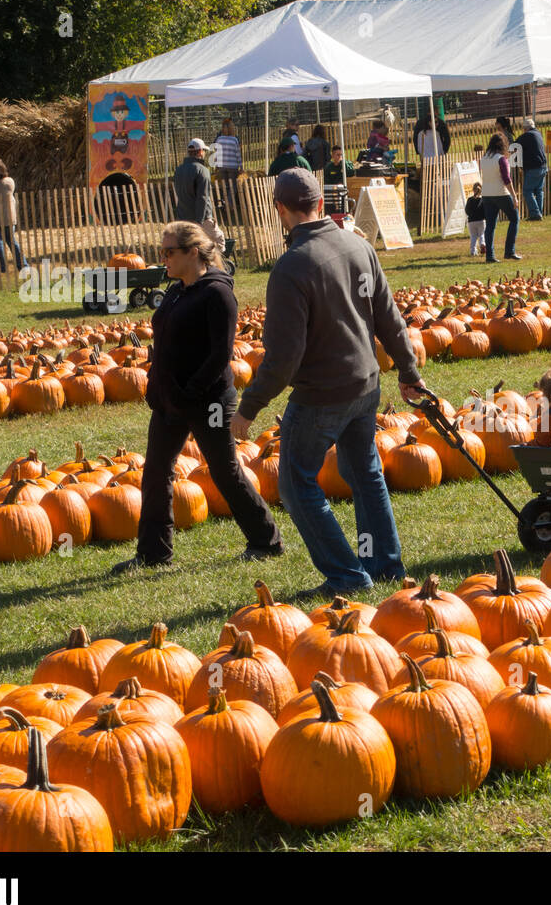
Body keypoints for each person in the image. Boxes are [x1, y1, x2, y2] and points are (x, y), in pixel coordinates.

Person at [229, 168, 427, 599]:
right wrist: (409, 371)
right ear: (321, 202)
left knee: (295, 483)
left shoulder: (292, 267)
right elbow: (389, 318)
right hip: (365, 384)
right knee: (365, 473)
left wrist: (249, 406)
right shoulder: (358, 245)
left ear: (280, 208)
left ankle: (346, 574)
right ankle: (384, 563)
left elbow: (283, 360)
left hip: (321, 395)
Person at [112, 222, 282, 574]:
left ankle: (267, 540)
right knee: (156, 472)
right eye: (162, 252)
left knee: (225, 471)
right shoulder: (176, 291)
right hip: (169, 401)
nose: (163, 259)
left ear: (193, 252)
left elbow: (220, 355)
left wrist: (189, 392)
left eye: (169, 252)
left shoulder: (218, 294)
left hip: (210, 402)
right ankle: (154, 553)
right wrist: (158, 386)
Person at [173, 139, 225, 252]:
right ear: (200, 152)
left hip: (183, 216)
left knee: (189, 246)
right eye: (204, 151)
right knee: (219, 241)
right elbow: (202, 197)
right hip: (201, 217)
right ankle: (216, 267)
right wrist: (199, 221)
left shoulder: (178, 170)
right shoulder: (202, 170)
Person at [479, 133, 521, 263]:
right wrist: (514, 196)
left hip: (486, 194)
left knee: (490, 225)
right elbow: (506, 180)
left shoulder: (484, 158)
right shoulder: (501, 159)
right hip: (501, 193)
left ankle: (490, 255)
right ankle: (509, 251)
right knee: (514, 218)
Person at [514, 117, 548, 220]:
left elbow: (514, 145)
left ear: (525, 128)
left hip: (533, 167)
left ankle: (535, 213)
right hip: (543, 166)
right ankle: (539, 213)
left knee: (527, 191)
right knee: (539, 191)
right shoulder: (539, 134)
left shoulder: (526, 136)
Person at [212, 118, 242, 212]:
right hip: (232, 166)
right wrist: (241, 167)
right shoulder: (234, 140)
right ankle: (229, 205)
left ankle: (225, 203)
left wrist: (216, 164)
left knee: (225, 186)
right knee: (233, 186)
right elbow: (238, 154)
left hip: (222, 166)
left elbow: (216, 153)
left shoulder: (219, 139)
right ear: (232, 128)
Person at [465, 182, 486, 256]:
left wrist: (470, 215)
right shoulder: (483, 200)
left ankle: (473, 251)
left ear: (473, 190)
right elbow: (485, 210)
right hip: (481, 220)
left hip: (471, 221)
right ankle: (482, 244)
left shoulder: (469, 200)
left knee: (473, 236)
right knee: (481, 234)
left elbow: (467, 210)